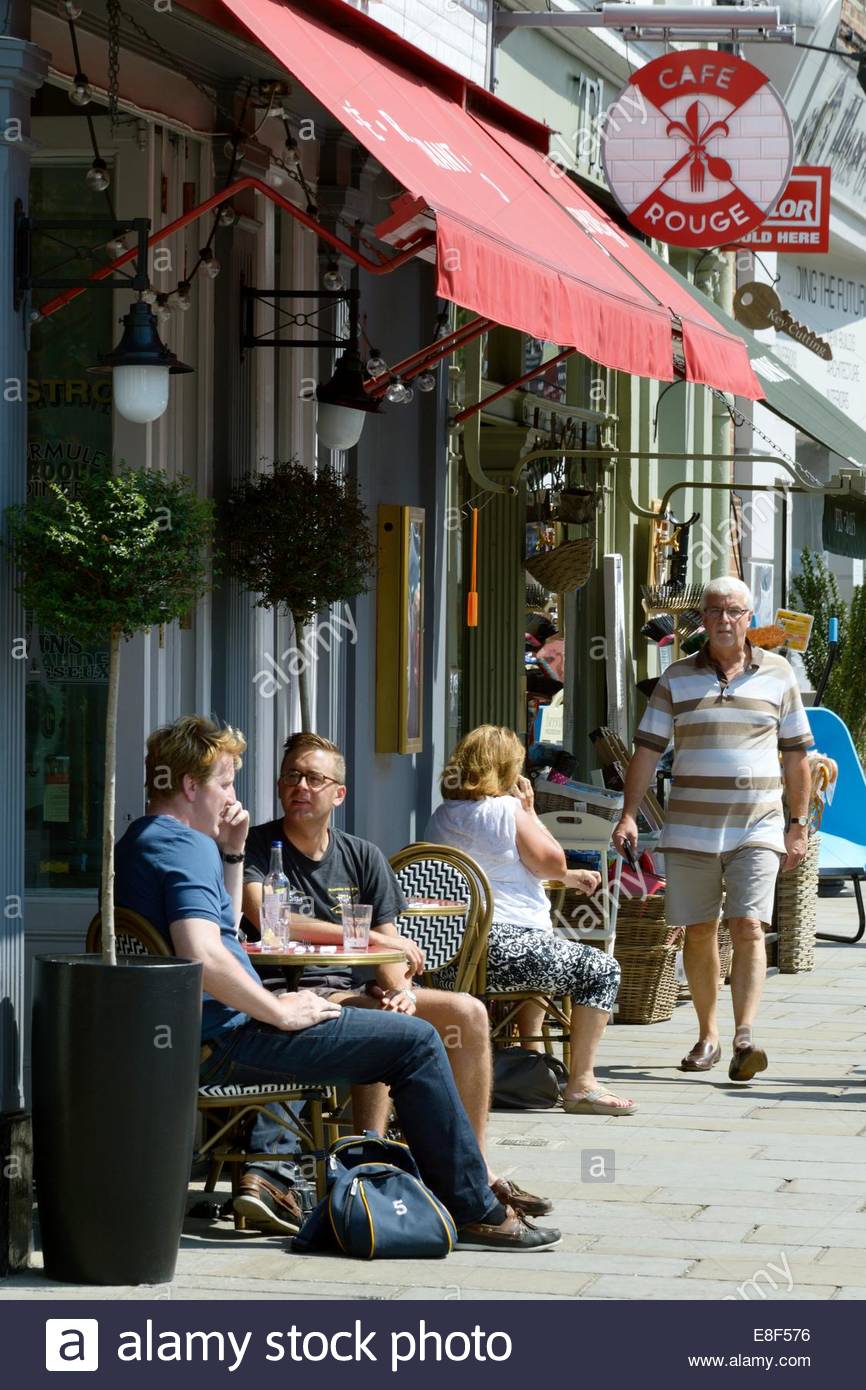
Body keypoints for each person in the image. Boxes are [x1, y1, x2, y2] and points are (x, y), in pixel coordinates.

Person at [113, 715, 560, 1253]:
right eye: (226, 782)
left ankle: (415, 1177)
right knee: (415, 1042)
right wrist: (276, 1010)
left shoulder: (145, 838)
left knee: (400, 1030)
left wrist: (232, 851)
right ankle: (472, 1206)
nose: (232, 796)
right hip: (225, 1038)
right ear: (190, 786)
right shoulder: (184, 847)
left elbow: (225, 930)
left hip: (187, 1033)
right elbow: (203, 955)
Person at [240, 731, 552, 1229]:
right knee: (390, 1028)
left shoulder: (361, 854)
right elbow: (264, 917)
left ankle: (475, 1166)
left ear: (338, 793)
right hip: (285, 994)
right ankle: (369, 1155)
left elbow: (388, 945)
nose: (300, 786)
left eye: (314, 778)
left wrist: (400, 987)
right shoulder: (257, 846)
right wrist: (357, 936)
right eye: (291, 776)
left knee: (467, 1013)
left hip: (354, 988)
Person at [613, 577, 813, 1081]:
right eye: (715, 611)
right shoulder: (676, 678)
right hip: (690, 829)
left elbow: (796, 758)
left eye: (735, 611)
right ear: (700, 619)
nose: (724, 620)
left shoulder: (779, 675)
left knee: (748, 924)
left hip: (758, 826)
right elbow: (646, 752)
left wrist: (797, 824)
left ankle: (745, 1036)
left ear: (750, 617)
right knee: (698, 929)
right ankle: (708, 1035)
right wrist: (629, 813)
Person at [425, 725, 636, 1116]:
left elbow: (505, 866)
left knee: (543, 947)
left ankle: (531, 1059)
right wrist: (530, 811)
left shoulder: (442, 815)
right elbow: (552, 861)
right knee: (601, 969)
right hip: (503, 950)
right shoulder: (507, 810)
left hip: (452, 958)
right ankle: (582, 1083)